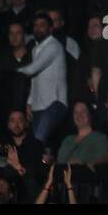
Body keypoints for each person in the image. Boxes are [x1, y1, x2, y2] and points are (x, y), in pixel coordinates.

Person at [17, 12, 69, 142]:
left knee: (38, 140)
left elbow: (33, 69)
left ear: (51, 29)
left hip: (55, 103)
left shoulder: (54, 46)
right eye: (35, 25)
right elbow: (35, 78)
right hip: (38, 106)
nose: (38, 28)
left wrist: (12, 73)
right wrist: (29, 102)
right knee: (38, 144)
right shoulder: (36, 49)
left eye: (42, 25)